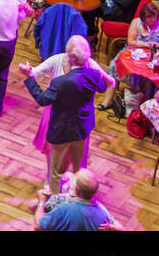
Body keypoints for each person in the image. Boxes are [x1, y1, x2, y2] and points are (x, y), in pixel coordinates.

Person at [19, 36, 112, 192]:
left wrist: (28, 77)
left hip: (64, 126)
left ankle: (59, 199)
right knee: (73, 164)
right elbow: (105, 86)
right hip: (77, 124)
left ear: (73, 56)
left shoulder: (64, 80)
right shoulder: (89, 72)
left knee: (59, 167)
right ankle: (75, 193)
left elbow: (42, 98)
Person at [33, 169, 120, 231]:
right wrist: (111, 227)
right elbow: (121, 229)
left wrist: (41, 202)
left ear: (77, 191)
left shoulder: (63, 209)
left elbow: (38, 226)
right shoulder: (102, 211)